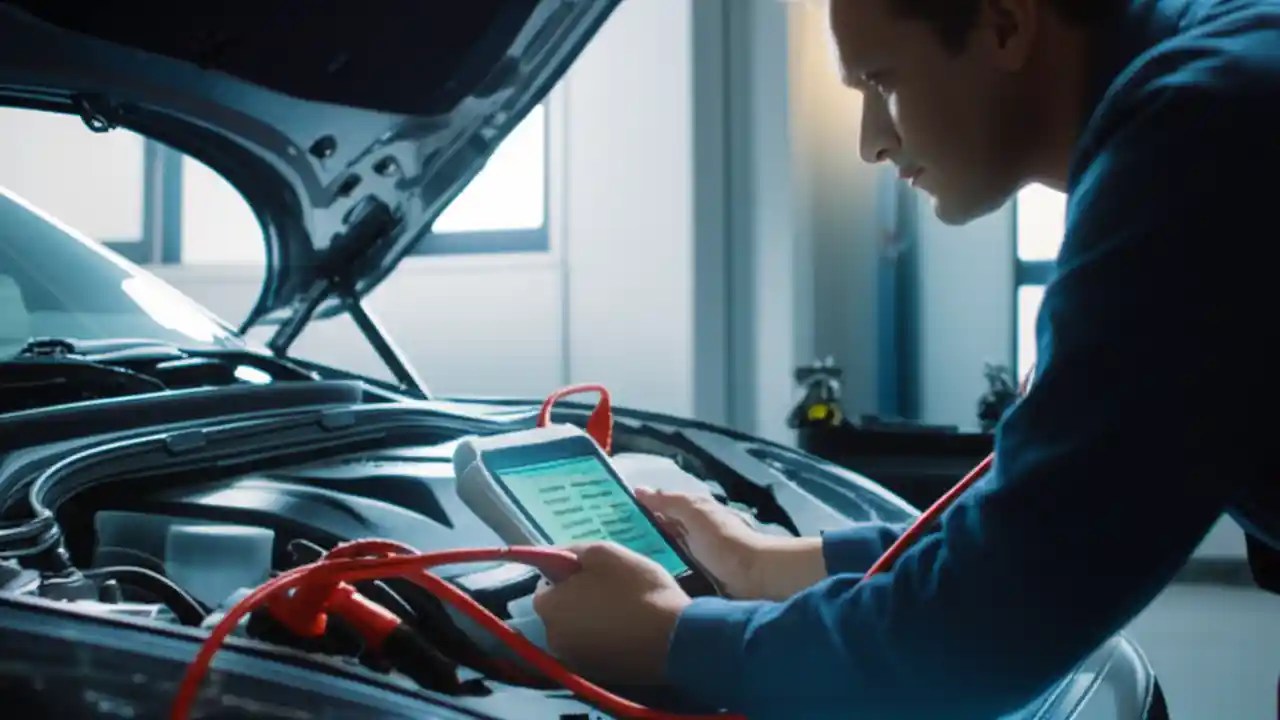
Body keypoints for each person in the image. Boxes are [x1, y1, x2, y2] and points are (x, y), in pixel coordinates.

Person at [532, 0, 1280, 717]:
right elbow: (1041, 522)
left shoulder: (1198, 144)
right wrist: (767, 564)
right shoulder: (1223, 65)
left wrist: (672, 638)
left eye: (881, 81)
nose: (870, 142)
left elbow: (990, 627)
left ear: (1006, 21)